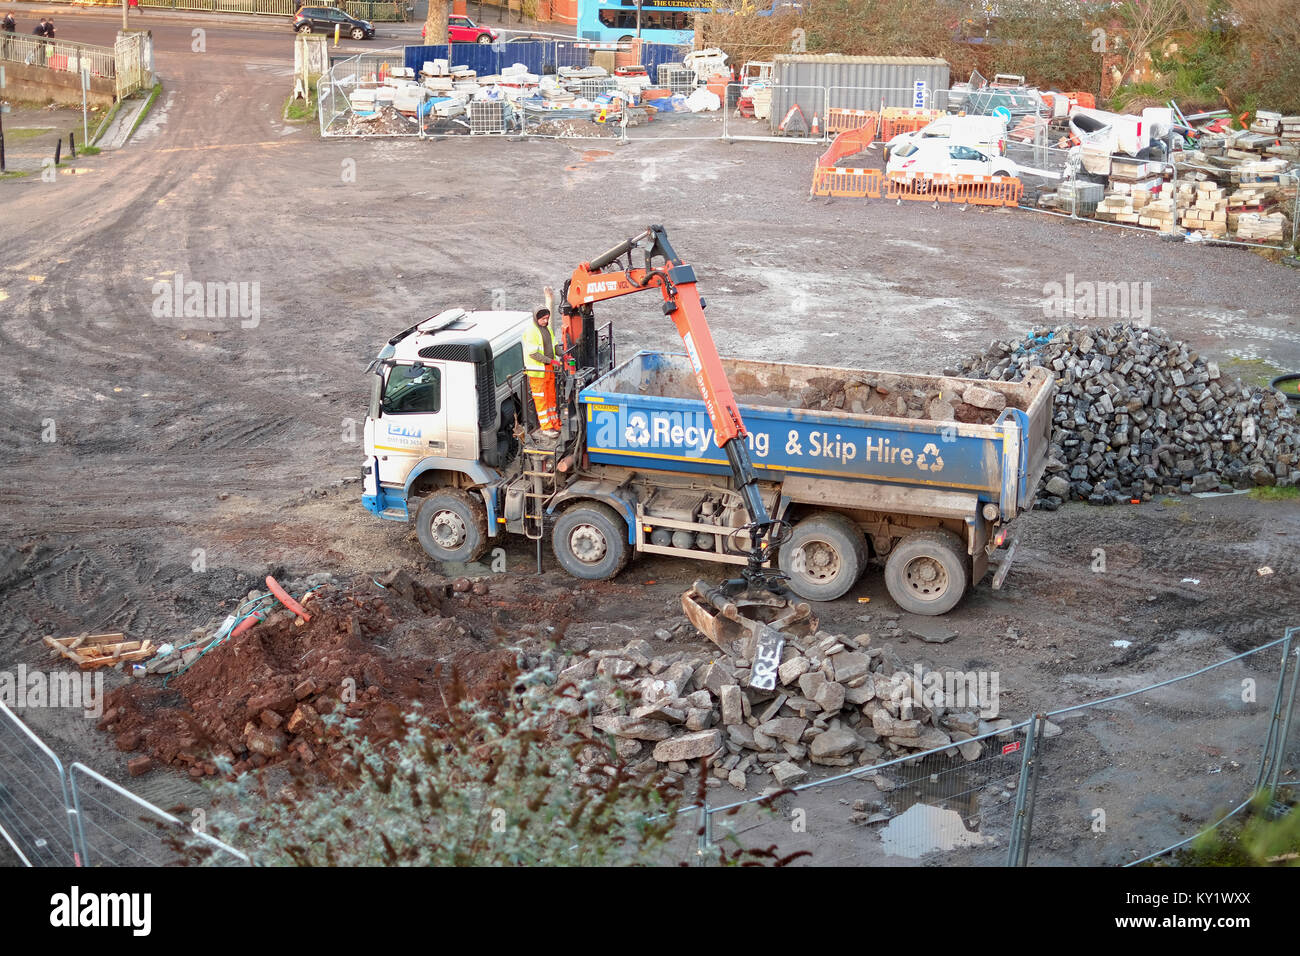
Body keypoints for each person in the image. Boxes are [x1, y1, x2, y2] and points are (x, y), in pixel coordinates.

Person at [523, 292, 562, 435]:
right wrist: (551, 361)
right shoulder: (531, 331)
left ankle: (555, 423)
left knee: (551, 397)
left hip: (548, 370)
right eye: (543, 319)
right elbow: (533, 353)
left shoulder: (548, 329)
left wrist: (563, 354)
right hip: (538, 372)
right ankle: (546, 427)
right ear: (536, 318)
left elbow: (554, 345)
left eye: (547, 318)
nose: (546, 321)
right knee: (542, 401)